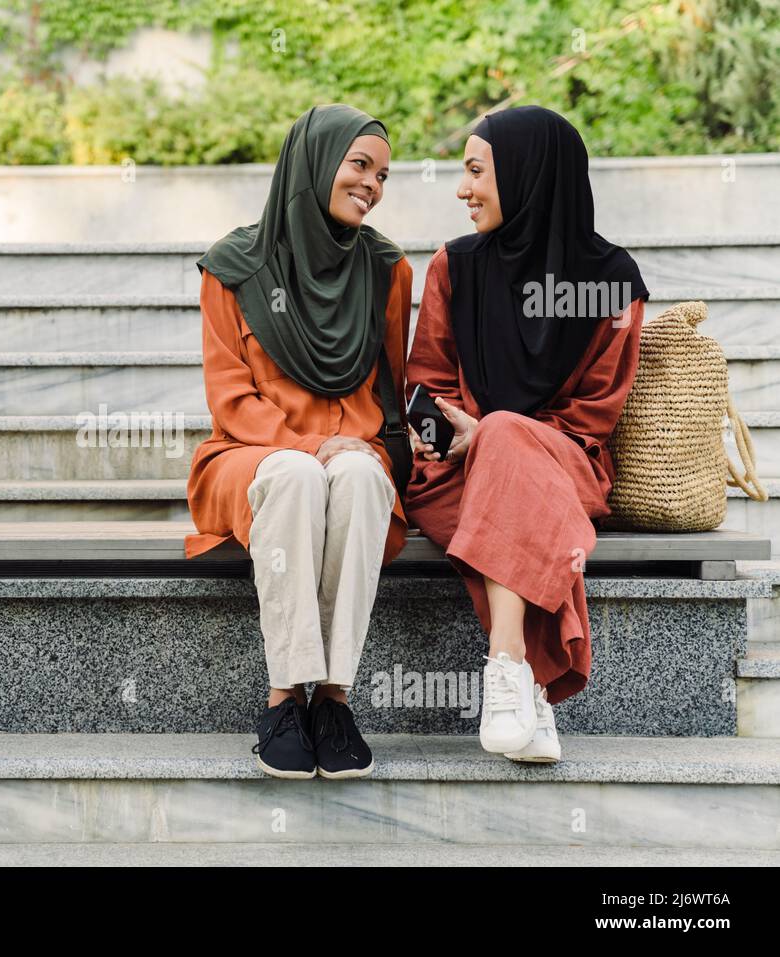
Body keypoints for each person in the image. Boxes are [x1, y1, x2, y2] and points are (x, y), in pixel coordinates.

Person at [405, 106, 649, 763]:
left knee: (510, 442)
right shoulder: (453, 266)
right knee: (506, 453)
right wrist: (454, 433)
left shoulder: (610, 283)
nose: (462, 189)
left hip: (567, 462)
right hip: (453, 472)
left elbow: (593, 414)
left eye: (476, 171)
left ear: (530, 175)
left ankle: (508, 662)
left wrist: (491, 433)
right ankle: (531, 688)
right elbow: (423, 389)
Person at [186, 104, 413, 779]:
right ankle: (286, 695)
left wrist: (375, 451)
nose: (372, 184)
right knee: (297, 474)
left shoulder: (387, 270)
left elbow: (393, 397)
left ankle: (334, 699)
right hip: (249, 457)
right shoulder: (234, 266)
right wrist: (311, 446)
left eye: (383, 174)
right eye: (359, 165)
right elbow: (230, 398)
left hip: (353, 460)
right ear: (314, 164)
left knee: (361, 477)